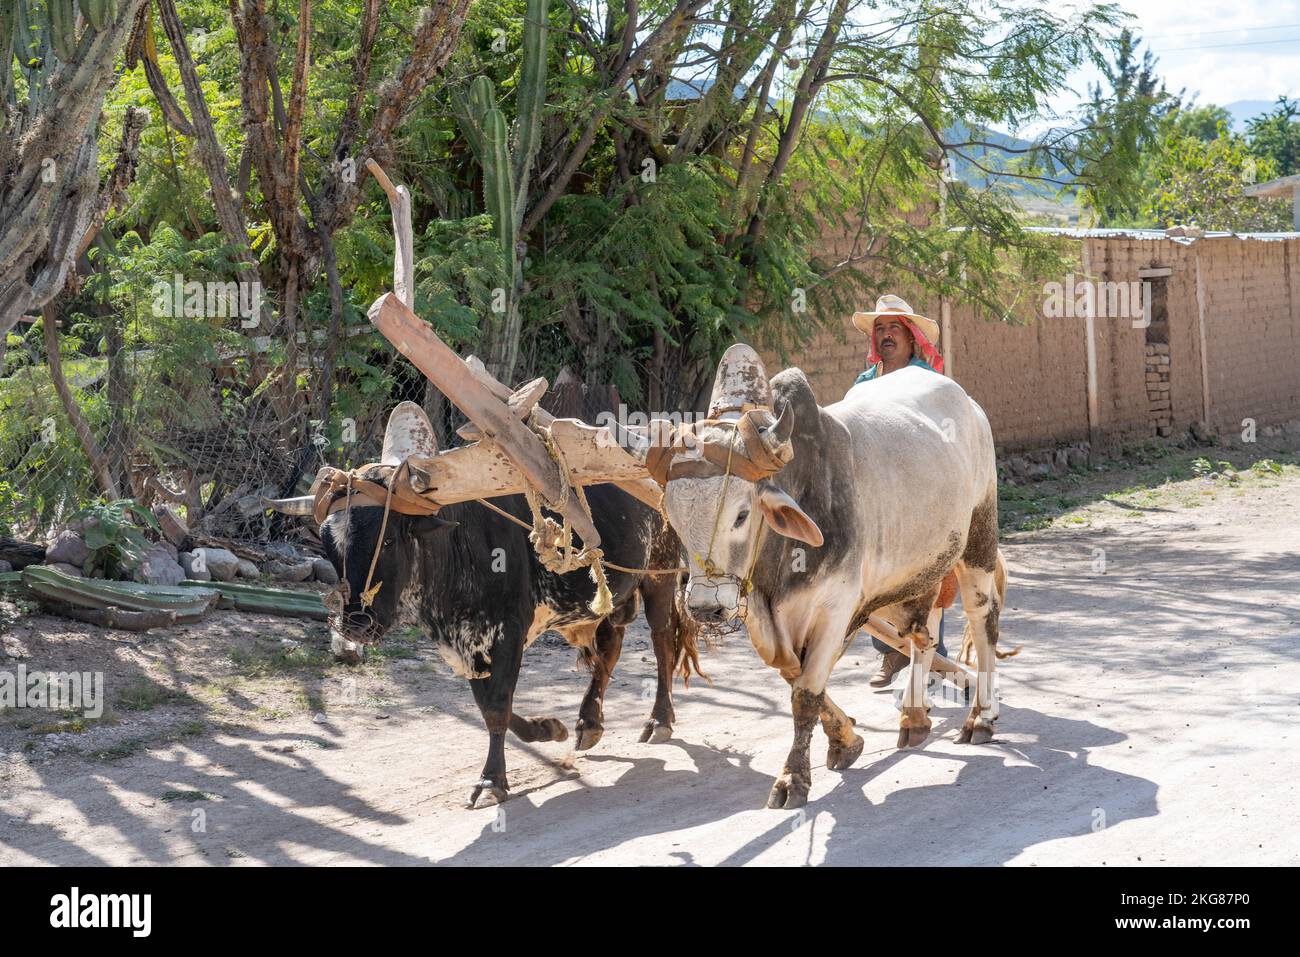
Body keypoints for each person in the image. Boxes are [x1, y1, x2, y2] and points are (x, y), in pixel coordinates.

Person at [846, 294, 950, 688]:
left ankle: (932, 654)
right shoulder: (862, 385)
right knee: (875, 572)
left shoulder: (929, 385)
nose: (886, 335)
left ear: (911, 337)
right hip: (876, 496)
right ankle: (889, 653)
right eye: (880, 329)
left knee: (933, 571)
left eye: (894, 328)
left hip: (922, 493)